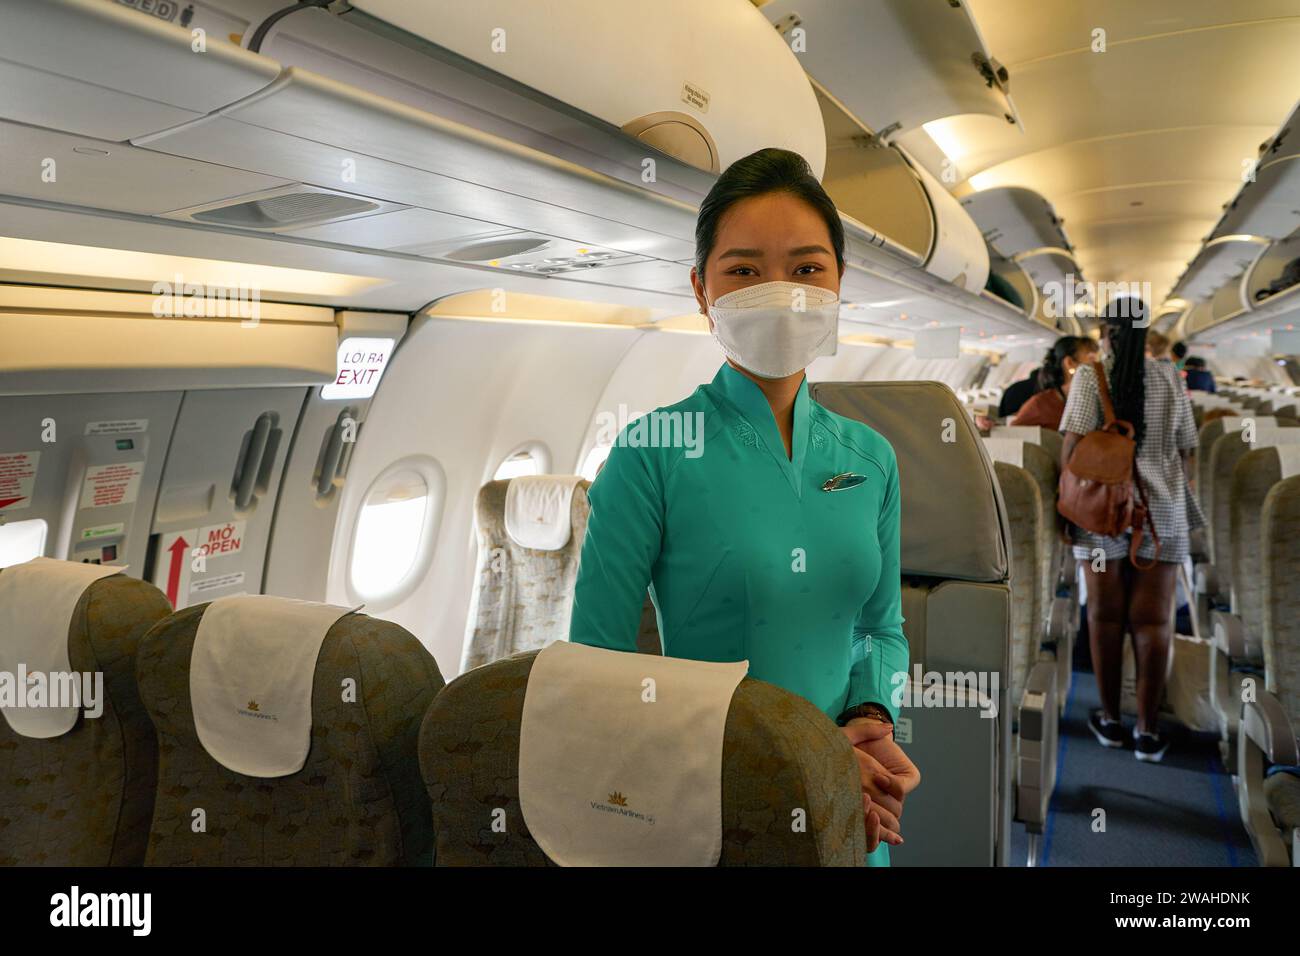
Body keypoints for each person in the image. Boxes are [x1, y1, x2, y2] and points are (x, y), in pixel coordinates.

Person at [568, 148, 919, 864]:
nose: (780, 292)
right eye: (745, 270)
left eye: (807, 268)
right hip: (714, 804)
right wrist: (807, 760)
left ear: (839, 283)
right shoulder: (651, 451)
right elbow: (597, 673)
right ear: (702, 290)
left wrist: (871, 716)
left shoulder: (871, 458)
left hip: (853, 806)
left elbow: (882, 629)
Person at [1059, 297, 1204, 762]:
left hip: (1102, 512)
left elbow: (1073, 446)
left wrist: (1069, 508)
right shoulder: (1168, 375)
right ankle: (1146, 729)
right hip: (1163, 516)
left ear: (1106, 332)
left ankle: (1109, 718)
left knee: (1104, 617)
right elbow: (1186, 449)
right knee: (1154, 621)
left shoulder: (1089, 375)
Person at [1010, 335, 1100, 429]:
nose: (1098, 366)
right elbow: (1014, 435)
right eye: (1091, 359)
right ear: (1069, 363)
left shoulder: (1093, 399)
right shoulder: (1039, 404)